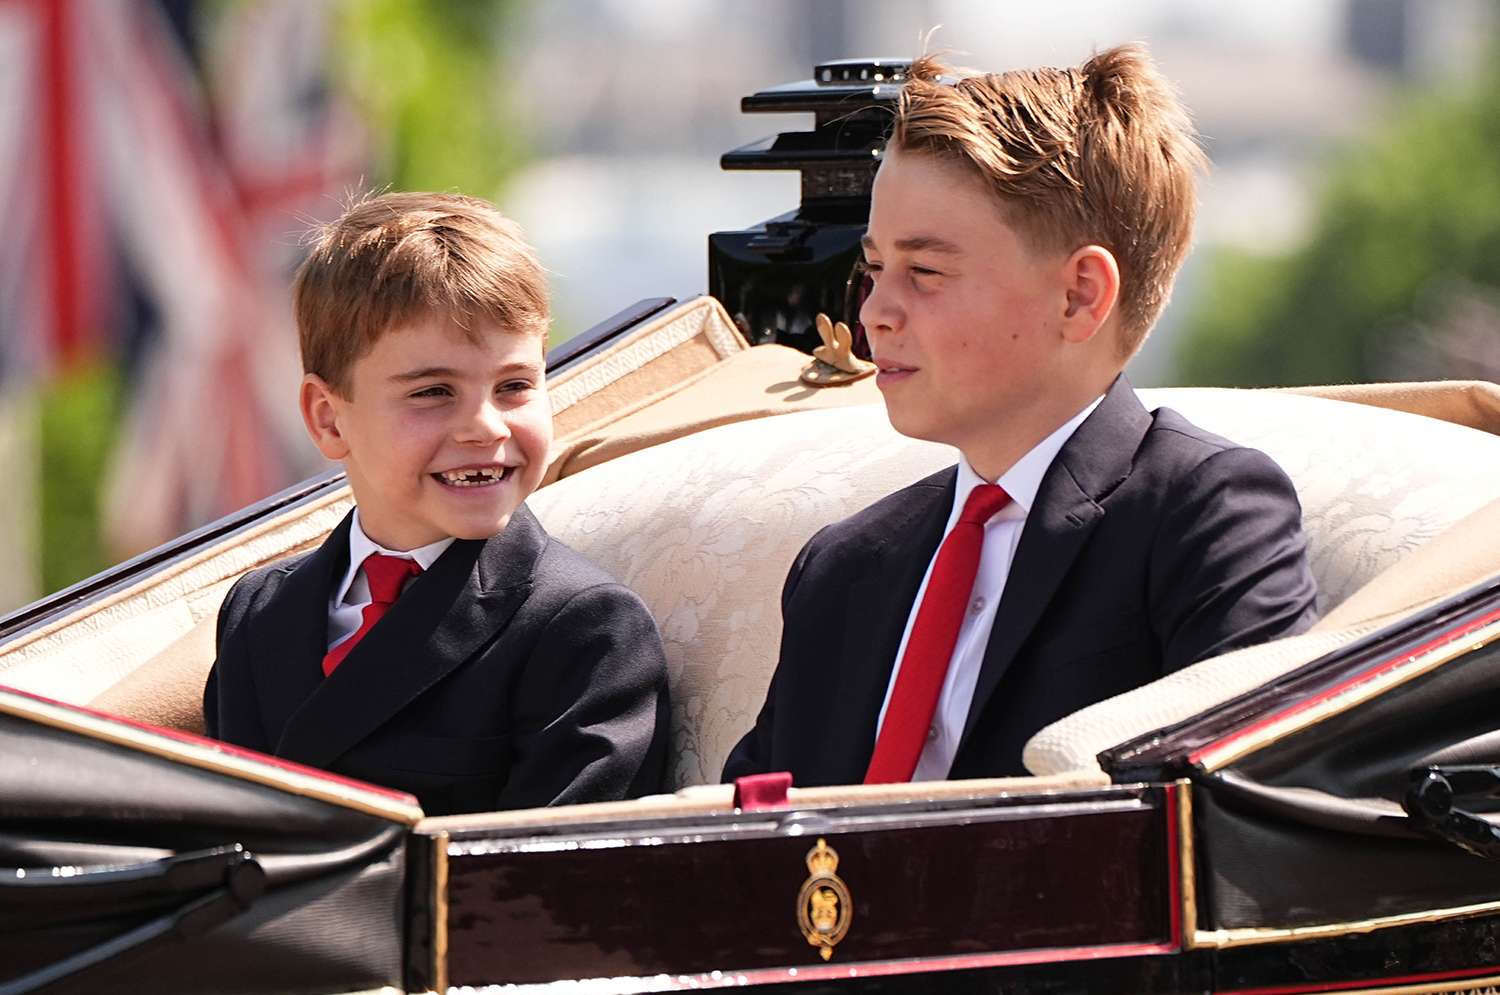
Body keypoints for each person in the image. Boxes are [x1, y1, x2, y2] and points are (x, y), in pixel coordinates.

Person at [723, 45, 1318, 787]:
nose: (873, 311)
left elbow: (1246, 819)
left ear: (1079, 296)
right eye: (872, 269)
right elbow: (739, 841)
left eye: (926, 272)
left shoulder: (1204, 514)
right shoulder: (844, 567)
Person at [204, 192, 669, 815]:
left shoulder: (584, 630)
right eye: (432, 392)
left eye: (514, 387)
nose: (485, 426)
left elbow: (551, 886)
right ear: (328, 419)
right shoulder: (259, 611)